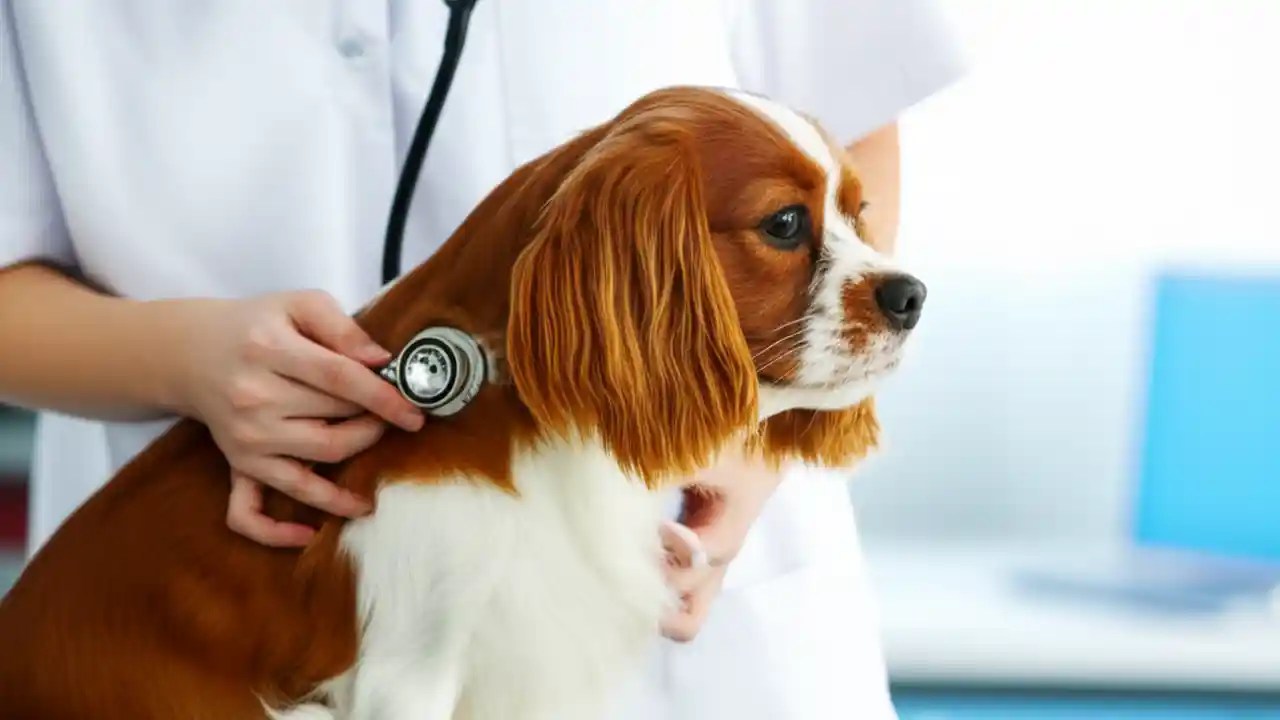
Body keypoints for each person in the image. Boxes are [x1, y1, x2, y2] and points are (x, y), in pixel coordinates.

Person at [0, 1, 963, 717]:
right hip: (203, 615)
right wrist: (178, 360)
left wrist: (747, 429)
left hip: (703, 632)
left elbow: (851, 113)